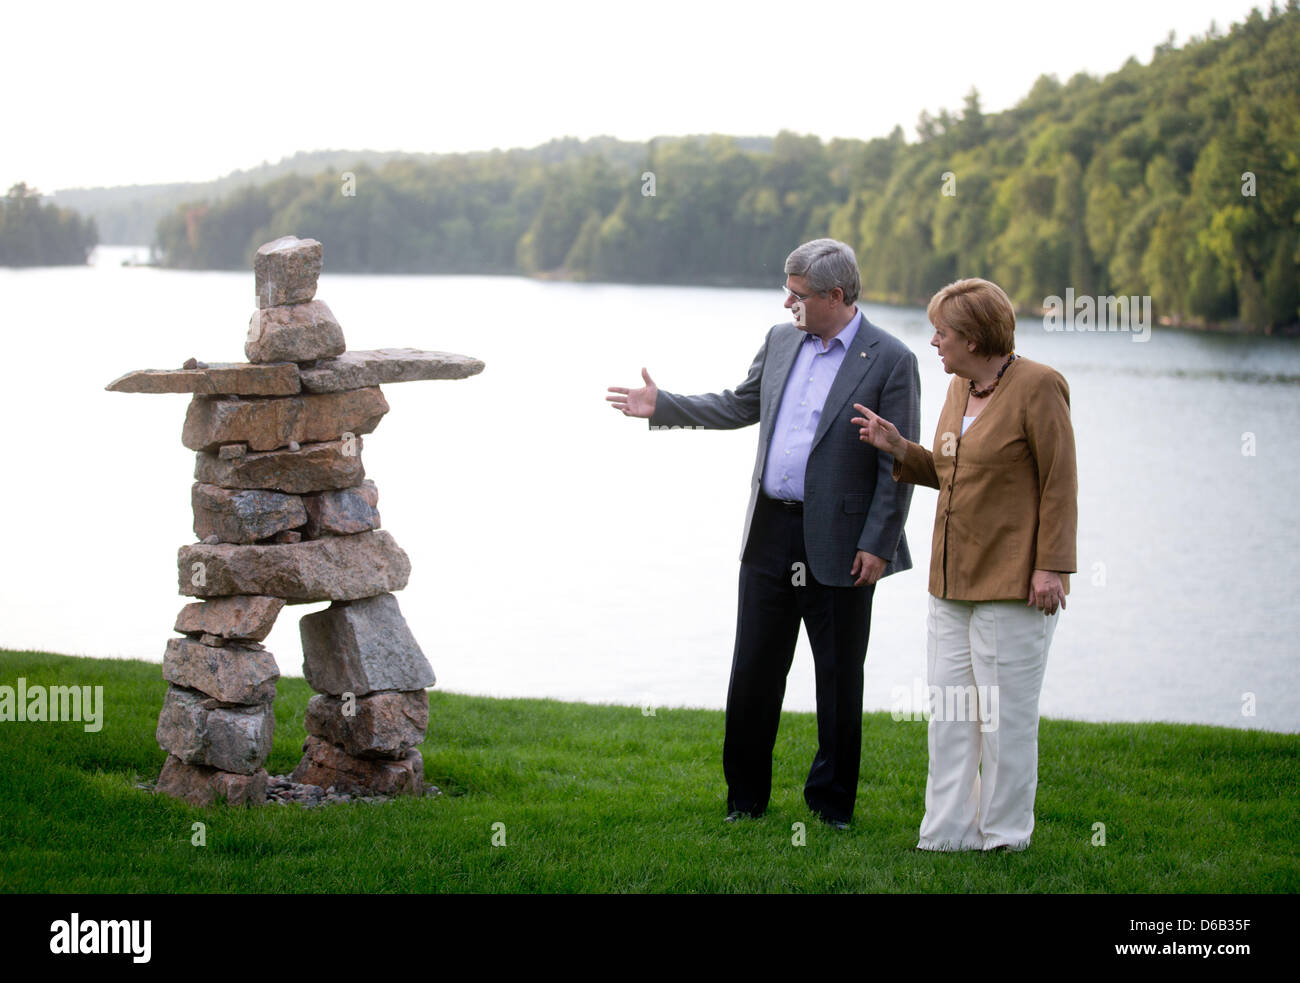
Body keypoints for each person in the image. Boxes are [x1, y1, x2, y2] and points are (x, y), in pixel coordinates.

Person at [607, 238, 920, 828]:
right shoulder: (781, 340)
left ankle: (831, 808)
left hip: (844, 542)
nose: (786, 304)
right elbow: (738, 405)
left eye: (797, 295)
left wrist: (878, 543)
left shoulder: (892, 359)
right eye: (786, 291)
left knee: (838, 677)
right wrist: (664, 405)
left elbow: (897, 464)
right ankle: (745, 802)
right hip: (770, 532)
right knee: (753, 671)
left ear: (835, 295)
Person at [852, 277, 1077, 851]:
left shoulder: (1040, 386)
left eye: (942, 333)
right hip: (949, 581)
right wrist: (900, 448)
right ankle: (947, 833)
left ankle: (1004, 836)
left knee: (1005, 720)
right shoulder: (958, 388)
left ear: (974, 338)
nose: (933, 342)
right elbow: (953, 473)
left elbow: (1059, 484)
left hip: (1013, 585)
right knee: (950, 717)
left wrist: (1051, 567)